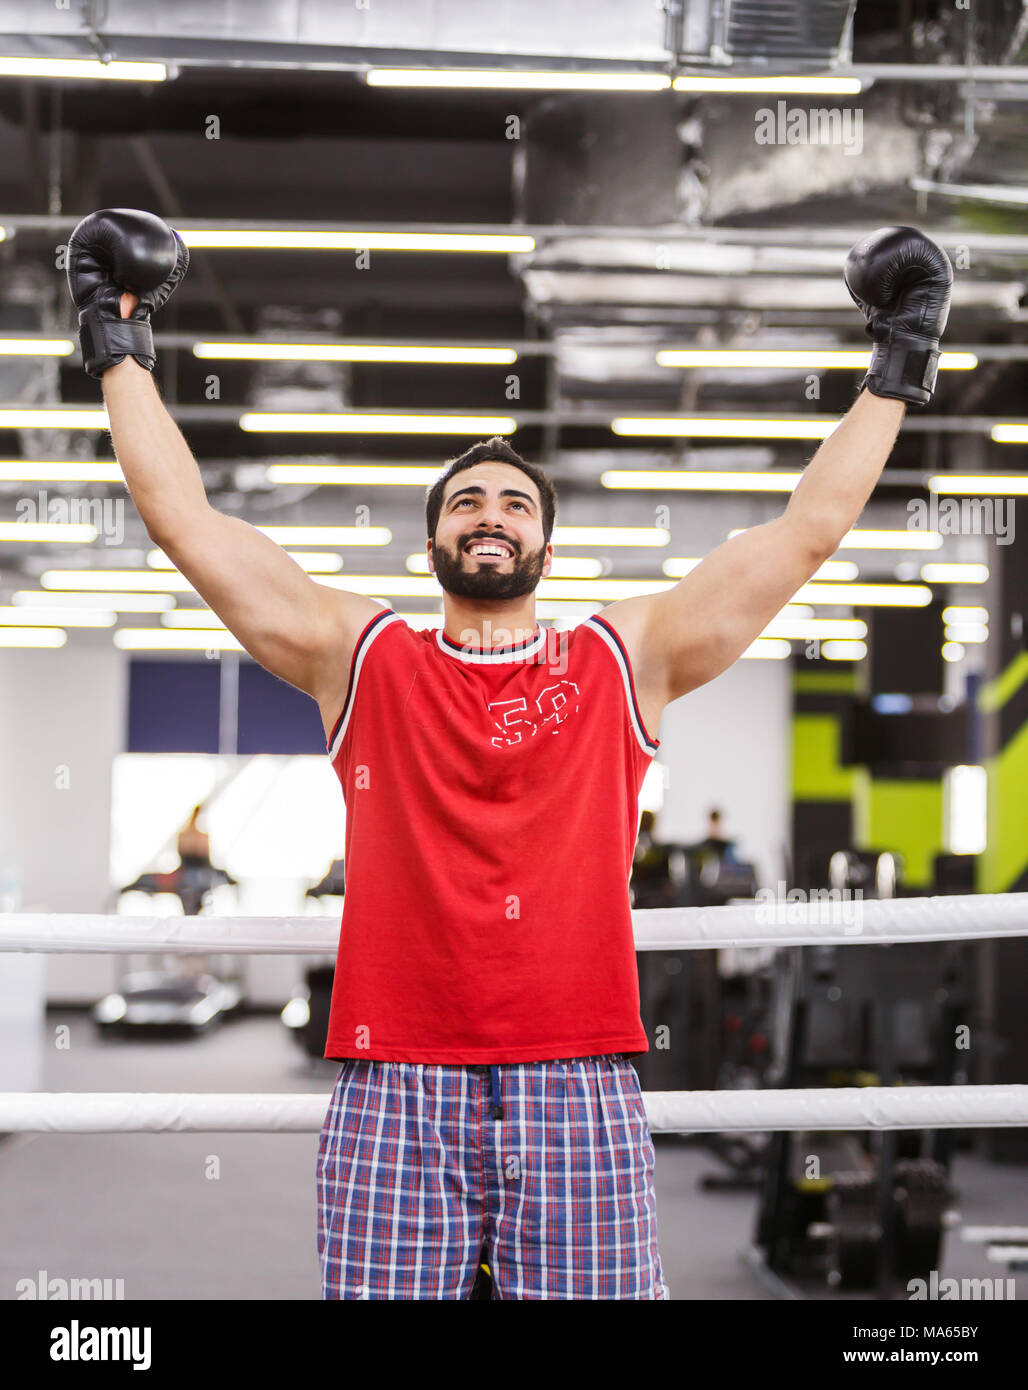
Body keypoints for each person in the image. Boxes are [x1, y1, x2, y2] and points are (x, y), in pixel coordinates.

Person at [66, 210, 952, 1299]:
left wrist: (896, 359)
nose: (491, 515)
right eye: (467, 502)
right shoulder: (363, 655)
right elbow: (190, 526)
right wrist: (119, 345)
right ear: (431, 539)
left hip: (575, 1077)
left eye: (516, 504)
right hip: (396, 1080)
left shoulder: (623, 658)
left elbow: (800, 534)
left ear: (544, 544)